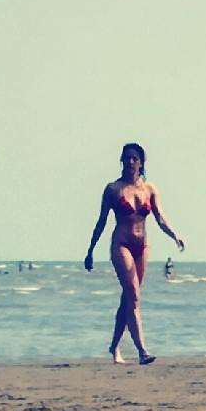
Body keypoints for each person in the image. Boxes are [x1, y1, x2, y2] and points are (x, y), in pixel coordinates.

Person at [84, 143, 184, 365]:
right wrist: (90, 250)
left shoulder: (149, 189)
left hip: (143, 247)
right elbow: (101, 221)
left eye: (134, 159)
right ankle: (142, 351)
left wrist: (175, 235)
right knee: (134, 296)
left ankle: (114, 347)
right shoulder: (113, 189)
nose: (130, 162)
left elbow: (160, 217)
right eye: (127, 158)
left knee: (128, 298)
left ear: (141, 163)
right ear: (122, 161)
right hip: (122, 245)